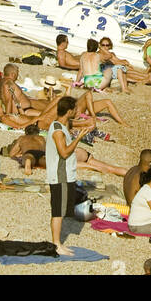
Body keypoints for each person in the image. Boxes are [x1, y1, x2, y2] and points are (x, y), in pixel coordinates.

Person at [46, 96, 84, 255]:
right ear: (69, 111)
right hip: (59, 176)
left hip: (65, 176)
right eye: (75, 109)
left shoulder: (60, 125)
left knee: (60, 211)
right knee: (58, 212)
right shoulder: (58, 131)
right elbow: (64, 152)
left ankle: (58, 243)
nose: (77, 111)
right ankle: (56, 244)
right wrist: (78, 139)